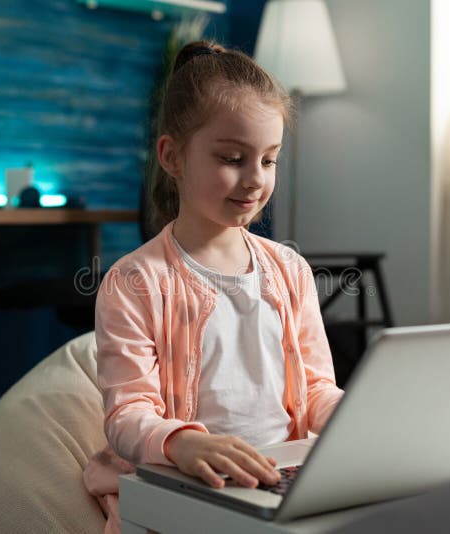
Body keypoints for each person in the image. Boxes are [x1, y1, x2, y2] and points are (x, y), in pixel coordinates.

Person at [83, 40, 344, 533]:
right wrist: (180, 442)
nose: (254, 180)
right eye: (232, 158)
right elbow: (127, 413)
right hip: (187, 483)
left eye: (269, 160)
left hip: (277, 476)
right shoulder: (134, 281)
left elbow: (315, 390)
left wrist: (352, 417)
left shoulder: (289, 270)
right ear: (172, 156)